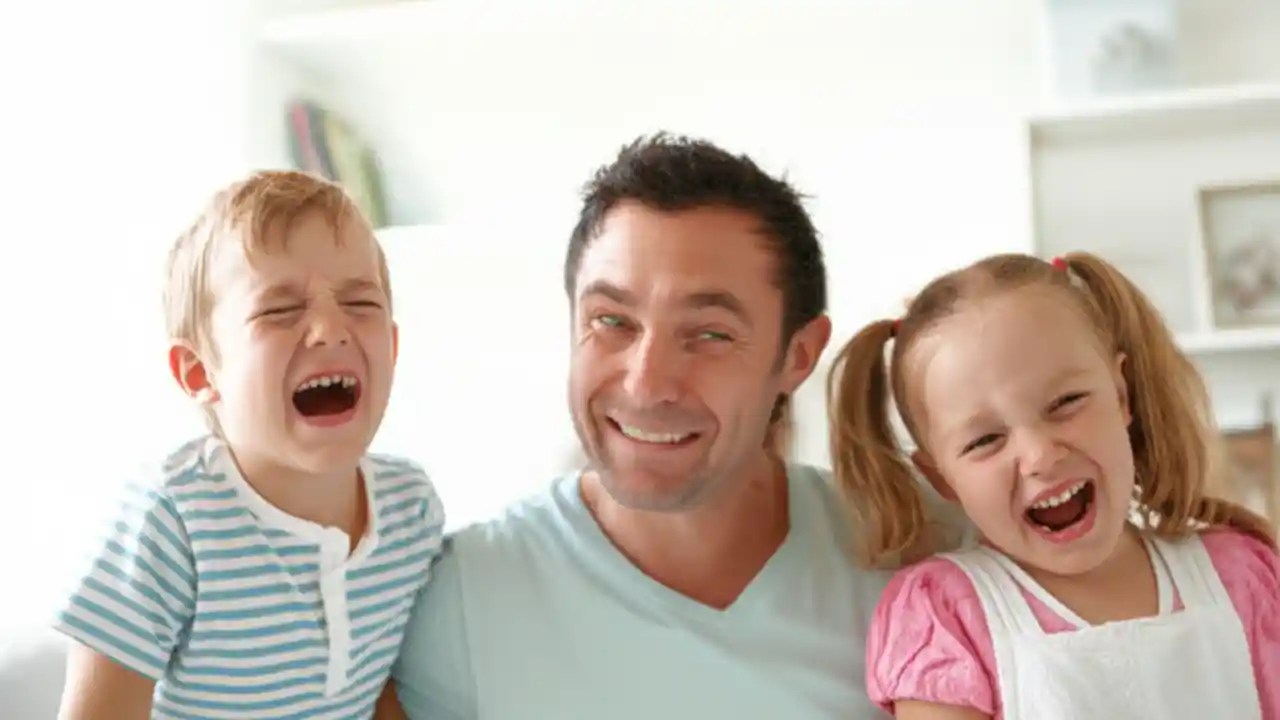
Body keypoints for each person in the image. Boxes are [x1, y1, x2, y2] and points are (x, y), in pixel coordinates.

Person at [388, 133, 959, 719]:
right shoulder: (459, 601)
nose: (645, 383)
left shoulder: (922, 547)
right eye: (610, 320)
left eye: (710, 334)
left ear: (798, 354)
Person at [53, 170, 445, 719]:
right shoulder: (172, 518)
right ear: (198, 372)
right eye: (280, 310)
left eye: (362, 304)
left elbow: (386, 691)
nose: (330, 328)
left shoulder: (412, 509)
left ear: (394, 346)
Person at [828, 251, 1279, 719]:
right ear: (941, 477)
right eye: (985, 440)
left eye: (1066, 402)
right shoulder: (945, 617)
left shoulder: (1241, 576)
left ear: (1120, 395)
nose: (1040, 456)